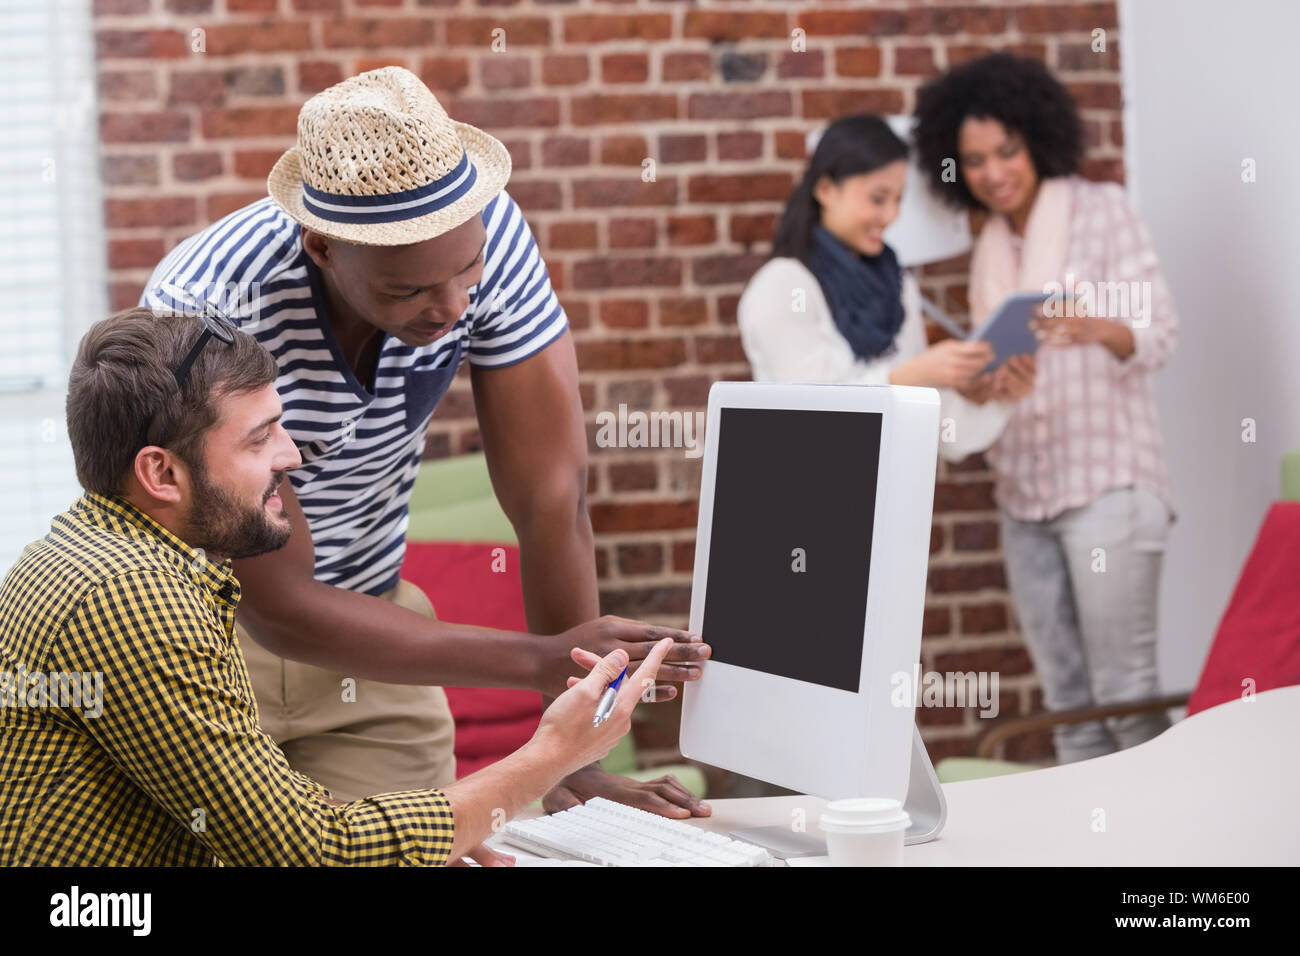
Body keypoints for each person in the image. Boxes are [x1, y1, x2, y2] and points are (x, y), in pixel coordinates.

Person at [141, 67, 711, 817]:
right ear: (321, 247)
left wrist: (576, 756)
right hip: (201, 655)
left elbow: (552, 500)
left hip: (375, 636)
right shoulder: (208, 309)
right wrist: (540, 660)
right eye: (405, 291)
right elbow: (279, 604)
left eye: (464, 273)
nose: (448, 309)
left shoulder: (488, 234)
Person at [0, 308, 674, 866]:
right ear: (162, 474)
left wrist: (436, 831)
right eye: (259, 439)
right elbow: (316, 854)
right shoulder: (134, 597)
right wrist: (554, 753)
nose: (290, 456)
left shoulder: (86, 555)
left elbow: (259, 816)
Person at [914, 52, 1178, 762]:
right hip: (1023, 496)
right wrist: (982, 380)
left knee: (1125, 696)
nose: (994, 172)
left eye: (1007, 150)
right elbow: (994, 383)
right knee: (1069, 707)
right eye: (974, 160)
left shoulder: (1103, 211)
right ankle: (1092, 829)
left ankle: (1165, 827)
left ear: (1037, 138)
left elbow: (1158, 333)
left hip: (1107, 486)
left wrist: (1093, 326)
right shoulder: (990, 247)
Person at [737, 113, 1036, 459]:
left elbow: (942, 435)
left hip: (898, 487)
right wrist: (911, 376)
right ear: (825, 189)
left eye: (898, 200)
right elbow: (810, 419)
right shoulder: (785, 285)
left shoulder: (898, 285)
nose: (892, 215)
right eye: (878, 199)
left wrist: (996, 396)